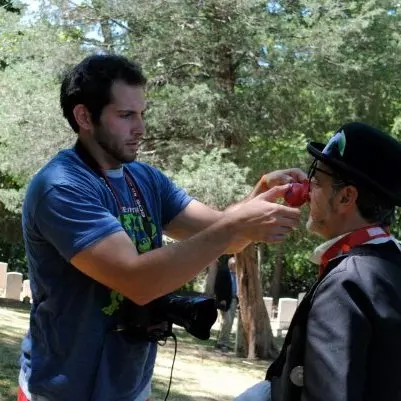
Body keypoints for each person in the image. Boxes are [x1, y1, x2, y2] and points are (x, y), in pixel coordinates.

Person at [18, 54, 306, 401]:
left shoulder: (146, 179)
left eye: (142, 114)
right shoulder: (62, 186)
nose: (140, 128)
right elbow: (138, 281)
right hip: (62, 391)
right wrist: (237, 225)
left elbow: (218, 234)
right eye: (125, 115)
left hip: (131, 388)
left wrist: (259, 195)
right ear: (84, 117)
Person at [235, 122, 401, 401]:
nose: (306, 189)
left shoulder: (347, 282)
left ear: (347, 196)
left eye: (316, 179)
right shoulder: (389, 266)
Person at [214, 256, 238, 352]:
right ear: (230, 265)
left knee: (230, 322)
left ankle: (224, 342)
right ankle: (222, 342)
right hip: (224, 301)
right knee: (227, 321)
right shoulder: (223, 272)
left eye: (236, 264)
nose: (235, 266)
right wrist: (221, 299)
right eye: (233, 264)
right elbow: (217, 287)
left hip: (234, 300)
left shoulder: (238, 275)